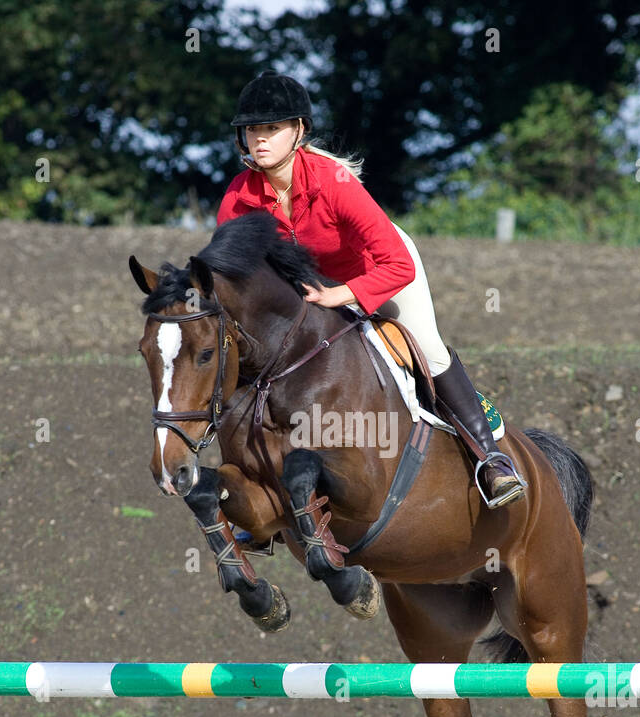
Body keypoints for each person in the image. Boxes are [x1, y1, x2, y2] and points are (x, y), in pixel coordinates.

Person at [216, 70, 525, 508]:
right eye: (252, 130)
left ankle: (492, 461)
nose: (260, 139)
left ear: (299, 131)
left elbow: (395, 263)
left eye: (271, 129)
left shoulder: (334, 184)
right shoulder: (237, 198)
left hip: (380, 268)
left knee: (427, 348)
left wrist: (339, 295)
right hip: (310, 291)